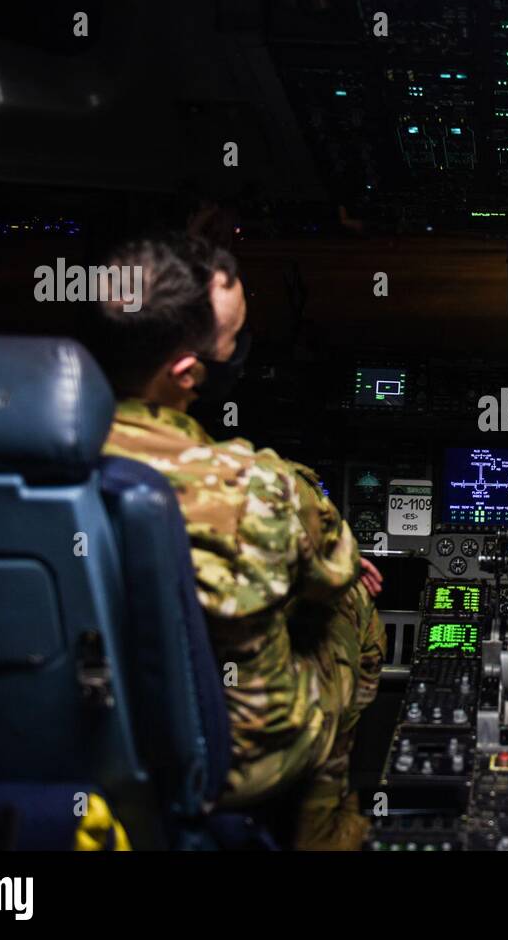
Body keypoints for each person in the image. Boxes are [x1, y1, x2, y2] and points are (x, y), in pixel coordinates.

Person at [81, 235, 385, 850]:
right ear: (189, 373)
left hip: (79, 732)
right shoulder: (256, 486)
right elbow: (339, 566)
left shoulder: (8, 460)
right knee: (349, 609)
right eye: (235, 342)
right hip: (238, 758)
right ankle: (322, 831)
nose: (244, 353)